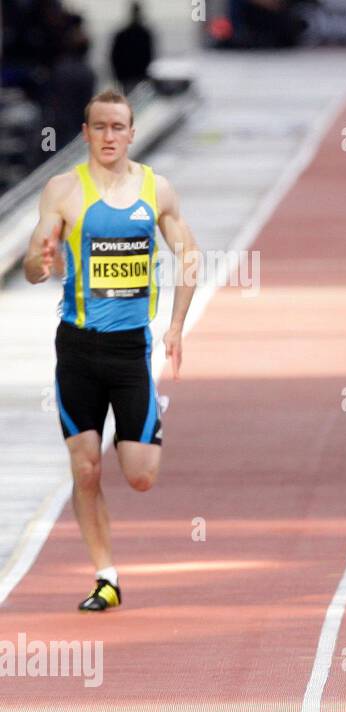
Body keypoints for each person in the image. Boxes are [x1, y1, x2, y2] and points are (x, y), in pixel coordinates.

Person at [23, 89, 200, 611]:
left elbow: (190, 257)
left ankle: (136, 428)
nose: (108, 136)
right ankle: (106, 576)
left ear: (131, 133)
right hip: (77, 349)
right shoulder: (62, 191)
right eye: (99, 127)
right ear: (85, 133)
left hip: (129, 352)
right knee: (85, 469)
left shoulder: (156, 190)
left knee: (141, 475)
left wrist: (176, 326)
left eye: (117, 127)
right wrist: (40, 259)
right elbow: (33, 267)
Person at [111, 2, 156, 94]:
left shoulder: (123, 35)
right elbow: (150, 56)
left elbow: (115, 57)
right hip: (137, 76)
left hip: (129, 77)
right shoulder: (144, 35)